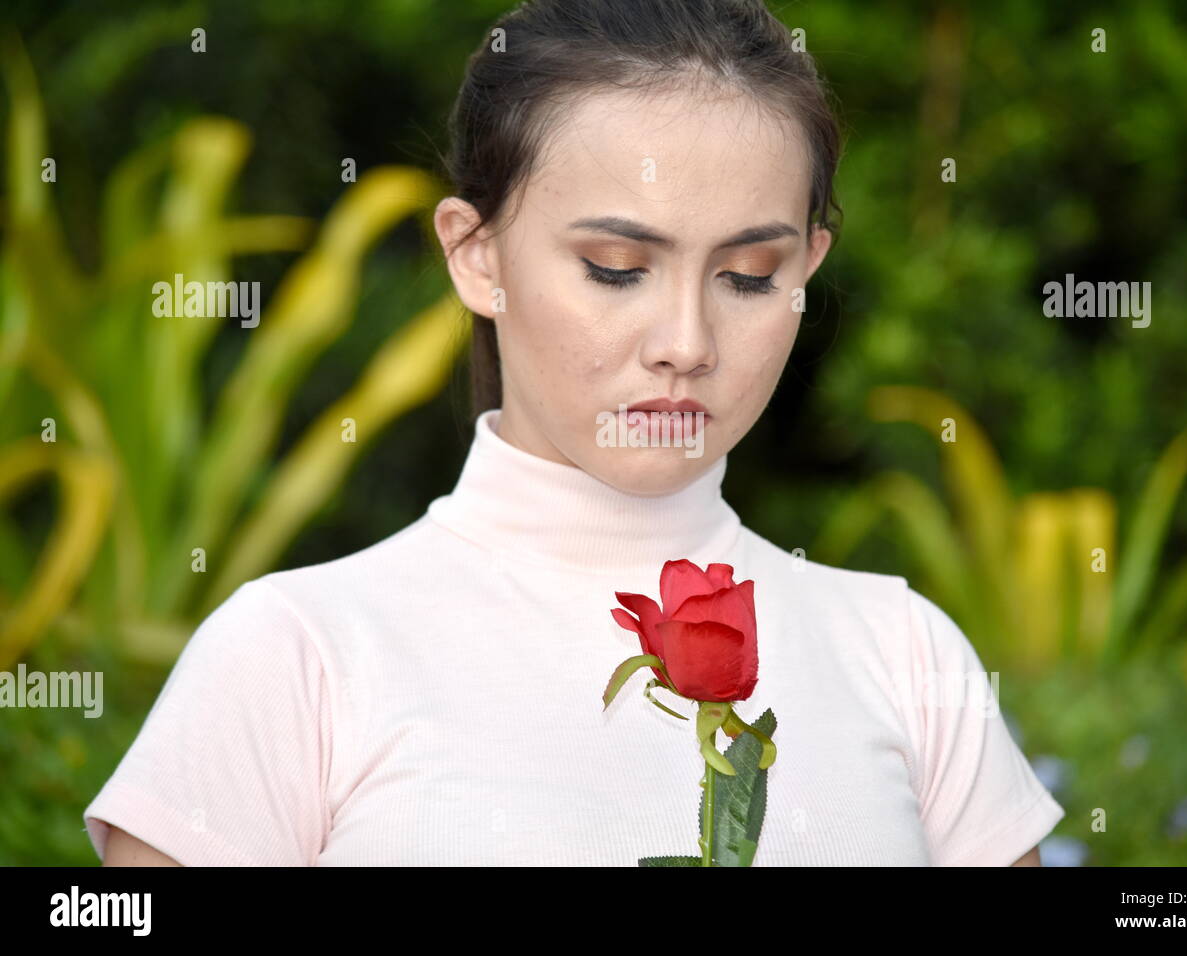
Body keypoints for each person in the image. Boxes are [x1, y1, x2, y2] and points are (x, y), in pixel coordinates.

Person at [88, 0, 1064, 866]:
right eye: (613, 266)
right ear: (476, 256)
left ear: (807, 267)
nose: (685, 344)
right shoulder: (295, 655)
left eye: (750, 273)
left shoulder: (904, 653)